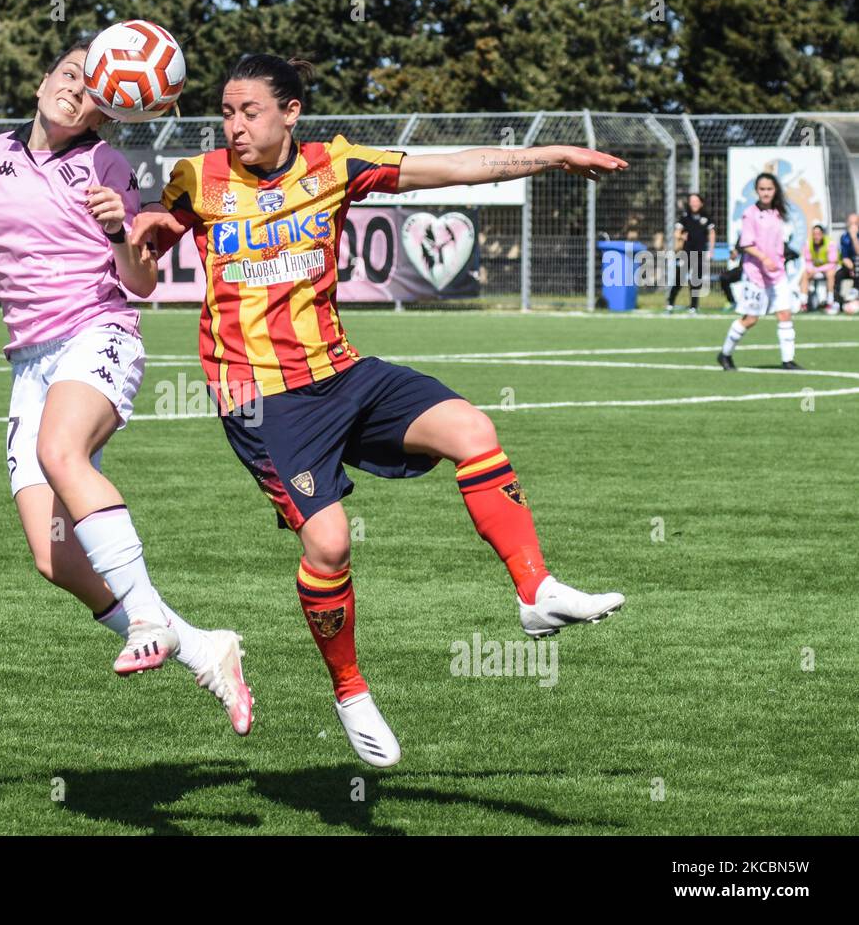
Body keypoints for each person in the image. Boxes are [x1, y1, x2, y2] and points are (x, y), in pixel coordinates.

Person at [131, 54, 626, 767]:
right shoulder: (196, 181)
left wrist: (549, 155)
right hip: (261, 395)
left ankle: (535, 589)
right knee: (329, 545)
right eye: (227, 113)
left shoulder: (335, 165)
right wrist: (134, 236)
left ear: (291, 112)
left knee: (472, 430)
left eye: (250, 112)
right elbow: (142, 274)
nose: (234, 126)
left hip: (342, 371)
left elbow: (458, 166)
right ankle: (350, 689)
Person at [0, 38, 252, 734]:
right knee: (52, 556)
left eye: (93, 89)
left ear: (106, 112)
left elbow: (142, 283)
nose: (76, 89)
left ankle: (149, 622)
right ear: (43, 82)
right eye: (69, 75)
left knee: (60, 451)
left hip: (99, 336)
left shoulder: (107, 164)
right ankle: (202, 647)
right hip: (29, 363)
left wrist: (120, 234)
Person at [718, 173, 803, 370]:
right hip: (756, 274)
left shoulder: (778, 213)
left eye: (769, 189)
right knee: (750, 319)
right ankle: (725, 354)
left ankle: (788, 360)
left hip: (777, 273)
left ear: (775, 191)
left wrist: (779, 258)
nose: (766, 193)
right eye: (762, 189)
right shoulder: (750, 213)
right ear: (757, 190)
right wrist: (764, 258)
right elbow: (745, 244)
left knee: (784, 314)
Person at [668, 193, 715, 313]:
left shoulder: (706, 217)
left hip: (700, 253)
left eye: (696, 201)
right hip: (686, 253)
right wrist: (681, 237)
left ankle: (694, 306)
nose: (694, 203)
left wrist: (711, 250)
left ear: (701, 203)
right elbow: (677, 232)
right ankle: (670, 303)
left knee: (696, 280)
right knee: (679, 279)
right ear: (689, 203)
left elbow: (712, 234)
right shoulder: (685, 217)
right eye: (692, 201)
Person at [799, 224, 838, 312]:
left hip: (827, 268)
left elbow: (832, 263)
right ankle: (803, 303)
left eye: (818, 234)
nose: (816, 237)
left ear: (822, 234)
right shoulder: (809, 243)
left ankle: (830, 302)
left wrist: (816, 270)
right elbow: (807, 260)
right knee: (804, 274)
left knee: (830, 274)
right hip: (814, 268)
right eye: (814, 234)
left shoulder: (830, 243)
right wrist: (811, 269)